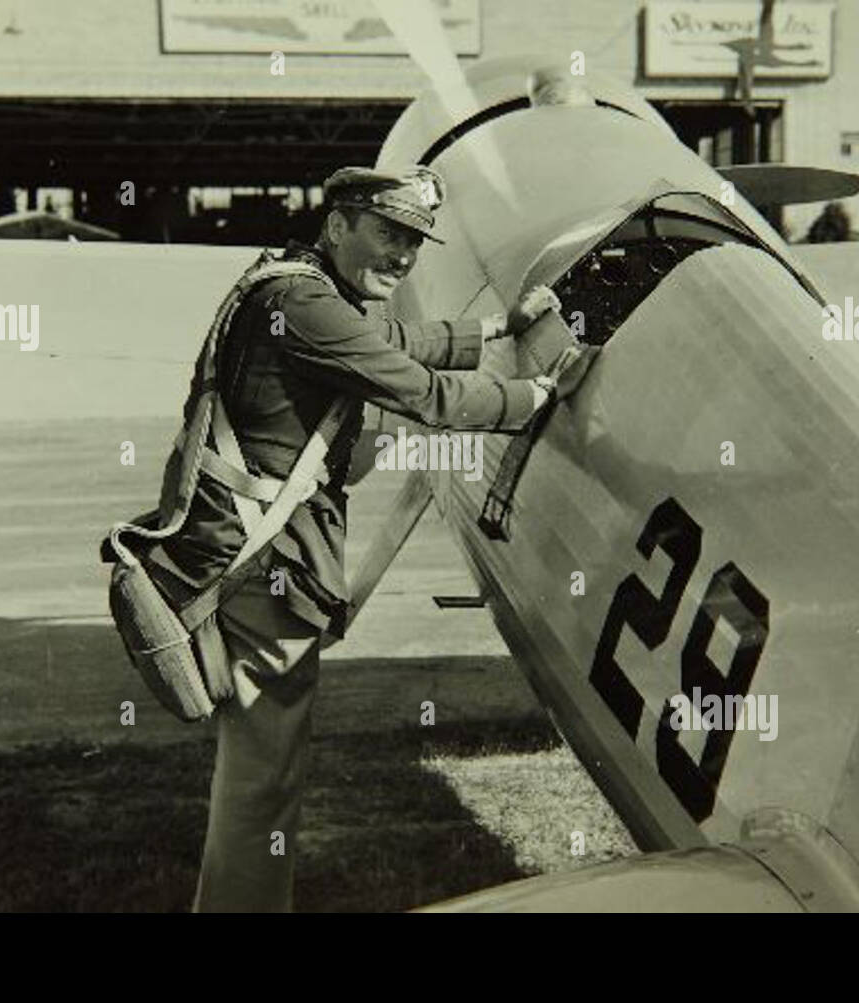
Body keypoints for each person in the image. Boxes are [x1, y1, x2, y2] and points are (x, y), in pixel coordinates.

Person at [136, 165, 560, 912]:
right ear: (339, 225)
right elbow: (422, 394)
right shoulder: (308, 304)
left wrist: (496, 329)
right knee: (264, 773)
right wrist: (535, 395)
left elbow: (387, 338)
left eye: (413, 243)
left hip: (230, 554)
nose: (402, 256)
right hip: (264, 567)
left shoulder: (288, 280)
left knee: (258, 762)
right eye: (387, 234)